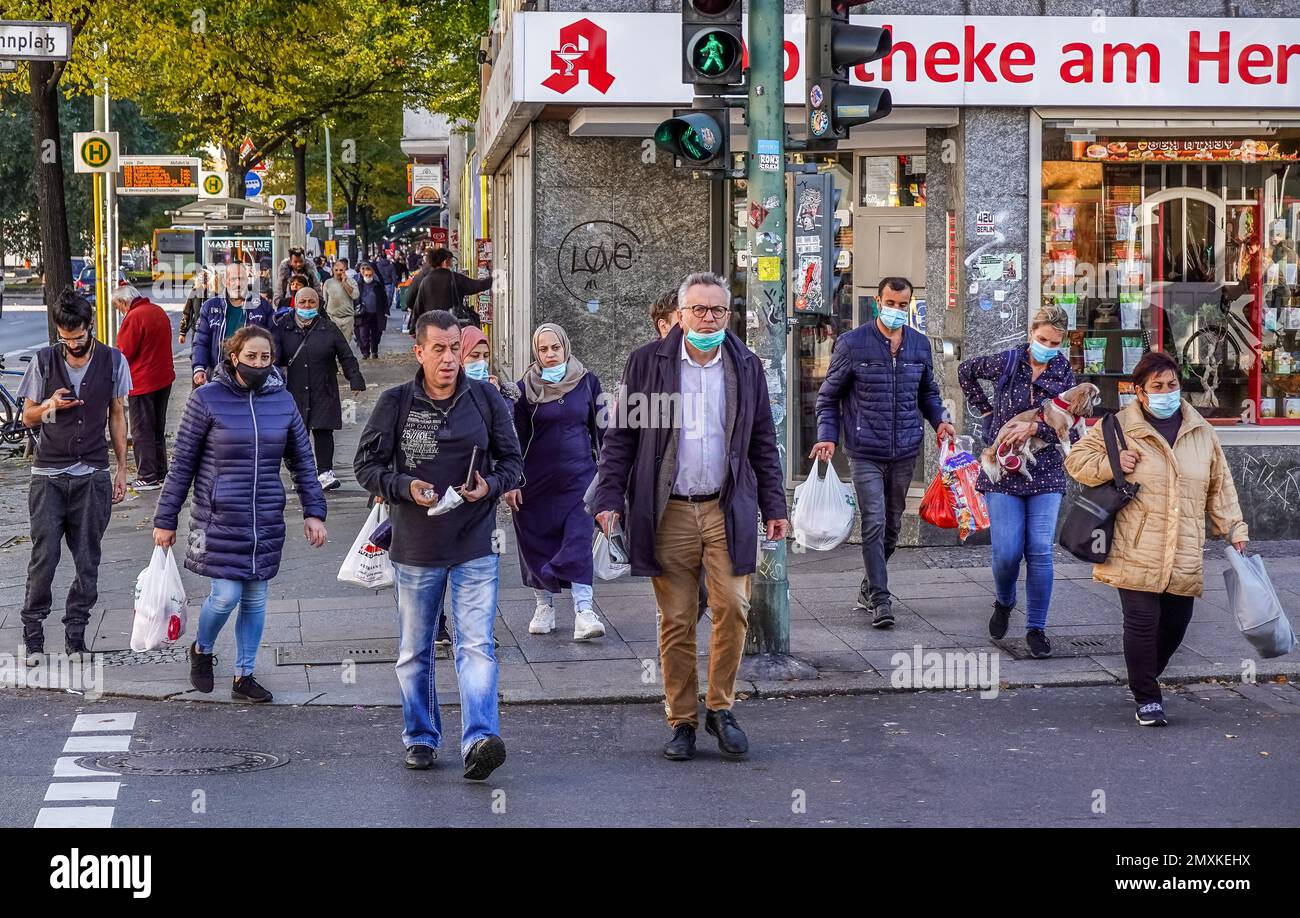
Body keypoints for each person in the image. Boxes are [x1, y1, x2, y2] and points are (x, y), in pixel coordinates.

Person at [593, 272, 789, 762]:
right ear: (679, 315)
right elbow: (621, 437)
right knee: (677, 619)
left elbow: (763, 440)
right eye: (698, 310)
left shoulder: (745, 365)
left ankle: (720, 708)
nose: (707, 318)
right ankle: (681, 719)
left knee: (733, 608)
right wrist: (608, 498)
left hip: (727, 507)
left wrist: (775, 506)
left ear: (729, 315)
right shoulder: (648, 363)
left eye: (717, 311)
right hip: (669, 511)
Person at [354, 310, 524, 780]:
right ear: (419, 352)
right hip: (417, 546)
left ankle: (479, 739)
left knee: (476, 646)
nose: (450, 359)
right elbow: (365, 467)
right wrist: (405, 486)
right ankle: (422, 737)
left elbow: (513, 463)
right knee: (415, 650)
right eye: (439, 350)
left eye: (457, 349)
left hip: (474, 543)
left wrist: (487, 486)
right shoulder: (396, 402)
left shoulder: (486, 399)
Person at [1065, 351, 1248, 727]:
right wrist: (1111, 464)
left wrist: (1234, 529)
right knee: (1142, 621)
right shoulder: (1118, 426)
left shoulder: (1201, 430)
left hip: (1184, 542)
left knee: (1177, 622)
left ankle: (1143, 673)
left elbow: (1220, 485)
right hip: (1135, 543)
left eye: (1172, 385)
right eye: (1157, 386)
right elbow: (1076, 461)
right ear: (1140, 392)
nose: (1166, 392)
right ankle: (1147, 697)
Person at [154, 326, 327, 703]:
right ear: (234, 358)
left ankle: (243, 676)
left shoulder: (283, 401)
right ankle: (201, 649)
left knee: (256, 598)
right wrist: (165, 519)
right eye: (251, 357)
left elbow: (302, 461)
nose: (259, 364)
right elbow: (182, 464)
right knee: (226, 595)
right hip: (218, 519)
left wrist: (314, 512)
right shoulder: (206, 399)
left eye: (265, 358)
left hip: (264, 518)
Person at [811, 277, 955, 628]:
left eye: (903, 304)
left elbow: (928, 394)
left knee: (891, 528)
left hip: (905, 451)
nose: (896, 310)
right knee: (874, 521)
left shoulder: (919, 346)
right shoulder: (852, 344)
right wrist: (827, 437)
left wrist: (940, 420)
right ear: (878, 301)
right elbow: (828, 398)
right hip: (865, 451)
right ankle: (881, 599)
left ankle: (869, 585)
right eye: (890, 303)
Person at [16, 290, 131, 655]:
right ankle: (33, 631)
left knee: (88, 560)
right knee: (44, 558)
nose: (72, 345)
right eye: (65, 339)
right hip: (47, 476)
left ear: (90, 327)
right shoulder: (45, 361)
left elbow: (117, 415)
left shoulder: (113, 361)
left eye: (78, 338)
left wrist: (122, 469)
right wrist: (50, 405)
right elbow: (27, 416)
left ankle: (76, 633)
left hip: (93, 474)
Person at [957, 305, 1076, 658]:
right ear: (1030, 333)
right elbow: (966, 371)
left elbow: (1071, 428)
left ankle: (1036, 628)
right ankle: (1005, 600)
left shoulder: (1064, 372)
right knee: (1007, 552)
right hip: (1004, 470)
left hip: (1046, 470)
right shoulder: (1008, 362)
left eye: (1054, 342)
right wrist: (987, 411)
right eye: (1042, 339)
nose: (1047, 347)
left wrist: (1036, 427)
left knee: (1039, 550)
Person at [504, 323, 607, 641]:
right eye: (543, 349)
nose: (550, 354)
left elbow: (603, 432)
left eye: (555, 348)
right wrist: (512, 481)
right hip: (534, 482)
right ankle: (543, 606)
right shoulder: (524, 390)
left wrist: (610, 477)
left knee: (577, 540)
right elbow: (515, 438)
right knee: (537, 543)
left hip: (580, 479)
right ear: (536, 351)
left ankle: (584, 611)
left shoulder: (588, 383)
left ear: (565, 347)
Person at [430, 324, 517, 652]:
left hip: (480, 499)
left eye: (485, 356)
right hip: (438, 498)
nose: (479, 362)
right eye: (473, 356)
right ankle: (437, 624)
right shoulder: (436, 391)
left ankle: (480, 628)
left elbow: (510, 448)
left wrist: (496, 485)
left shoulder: (497, 394)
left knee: (480, 568)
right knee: (437, 567)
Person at [650, 288, 709, 623]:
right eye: (686, 316)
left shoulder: (720, 363)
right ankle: (672, 641)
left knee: (718, 592)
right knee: (679, 593)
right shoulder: (647, 366)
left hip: (714, 498)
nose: (698, 323)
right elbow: (622, 442)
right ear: (665, 325)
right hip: (669, 501)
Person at [272, 287, 366, 492]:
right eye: (303, 302)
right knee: (296, 434)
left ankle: (325, 472)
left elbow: (346, 356)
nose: (307, 306)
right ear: (295, 303)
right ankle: (300, 473)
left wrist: (355, 379)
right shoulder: (282, 327)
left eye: (311, 302)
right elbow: (273, 358)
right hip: (293, 390)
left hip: (323, 387)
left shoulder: (328, 328)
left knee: (324, 431)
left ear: (319, 304)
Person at [111, 285, 176, 491]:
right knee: (157, 428)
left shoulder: (134, 317)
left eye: (118, 307)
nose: (120, 311)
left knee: (141, 429)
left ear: (123, 302)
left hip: (142, 381)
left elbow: (125, 352)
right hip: (163, 378)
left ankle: (147, 475)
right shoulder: (157, 311)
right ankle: (161, 472)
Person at [191, 262, 274, 387]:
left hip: (252, 375)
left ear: (247, 280)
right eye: (233, 279)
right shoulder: (210, 306)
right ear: (225, 281)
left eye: (242, 279)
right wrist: (199, 367)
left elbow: (274, 340)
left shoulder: (262, 306)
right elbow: (201, 341)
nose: (238, 283)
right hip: (217, 375)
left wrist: (270, 369)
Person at [410, 248, 491, 330]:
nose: (452, 264)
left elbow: (418, 308)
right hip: (452, 326)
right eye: (451, 261)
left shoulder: (426, 281)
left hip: (432, 328)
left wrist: (413, 329)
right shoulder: (455, 278)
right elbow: (477, 286)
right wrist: (494, 279)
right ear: (445, 262)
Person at [355, 261, 388, 359]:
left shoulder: (377, 285)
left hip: (376, 314)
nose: (368, 277)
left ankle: (374, 351)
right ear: (363, 274)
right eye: (366, 275)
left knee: (376, 334)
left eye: (370, 275)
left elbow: (383, 298)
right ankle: (365, 352)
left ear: (373, 274)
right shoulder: (358, 285)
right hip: (363, 314)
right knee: (363, 335)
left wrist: (386, 311)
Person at [323, 260, 358, 347]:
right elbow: (324, 301)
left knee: (345, 345)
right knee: (333, 343)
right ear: (332, 270)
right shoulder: (328, 283)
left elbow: (355, 295)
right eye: (336, 270)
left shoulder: (352, 282)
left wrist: (344, 282)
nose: (338, 272)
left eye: (341, 270)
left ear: (345, 270)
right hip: (332, 317)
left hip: (347, 318)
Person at [178, 267, 215, 346]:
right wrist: (182, 332)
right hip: (197, 331)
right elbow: (187, 312)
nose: (204, 278)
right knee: (196, 355)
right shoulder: (194, 292)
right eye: (202, 275)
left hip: (212, 332)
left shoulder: (215, 294)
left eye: (206, 275)